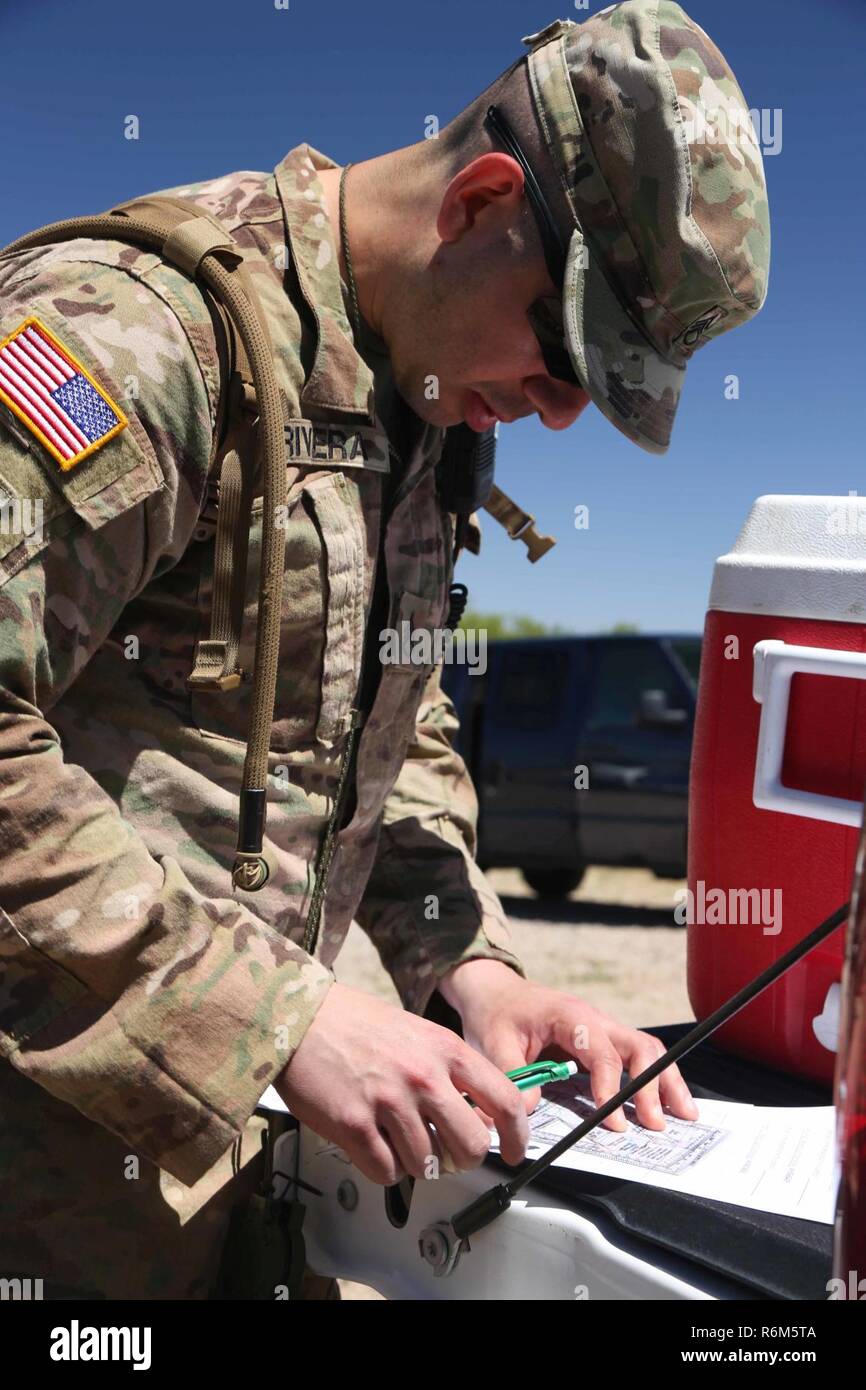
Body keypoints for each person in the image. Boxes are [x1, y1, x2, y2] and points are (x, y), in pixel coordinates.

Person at [0, 1, 769, 1298]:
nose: (561, 417)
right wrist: (279, 1015)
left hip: (218, 1158)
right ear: (476, 201)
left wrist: (465, 963)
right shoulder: (136, 337)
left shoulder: (421, 406)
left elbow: (383, 719)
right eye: (565, 354)